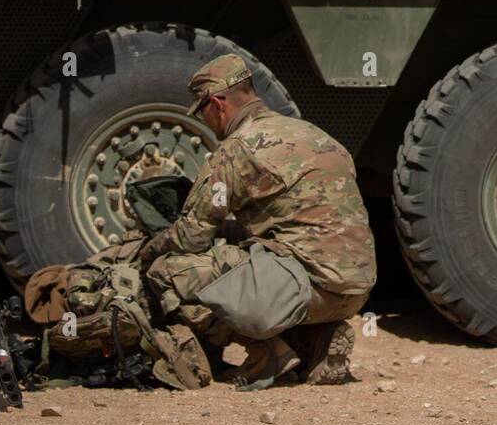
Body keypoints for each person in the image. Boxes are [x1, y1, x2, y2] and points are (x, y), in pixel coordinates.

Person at [138, 53, 377, 390]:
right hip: (354, 290)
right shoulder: (317, 136)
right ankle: (318, 342)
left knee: (168, 272)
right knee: (262, 263)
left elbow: (191, 238)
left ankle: (268, 353)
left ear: (217, 104)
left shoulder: (237, 149)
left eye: (202, 111)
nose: (204, 120)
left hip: (299, 288)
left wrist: (150, 249)